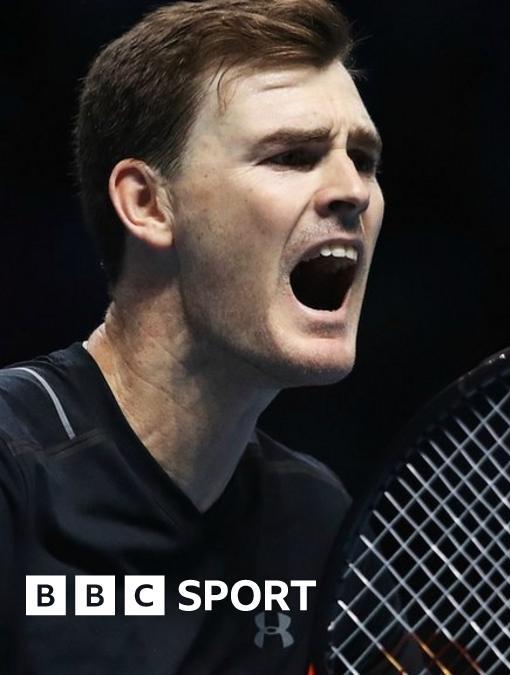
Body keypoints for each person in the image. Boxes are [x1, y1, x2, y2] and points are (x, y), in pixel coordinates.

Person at [0, 0, 383, 671]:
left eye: (364, 158)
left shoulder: (313, 520)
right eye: (292, 155)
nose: (352, 190)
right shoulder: (13, 469)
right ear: (147, 203)